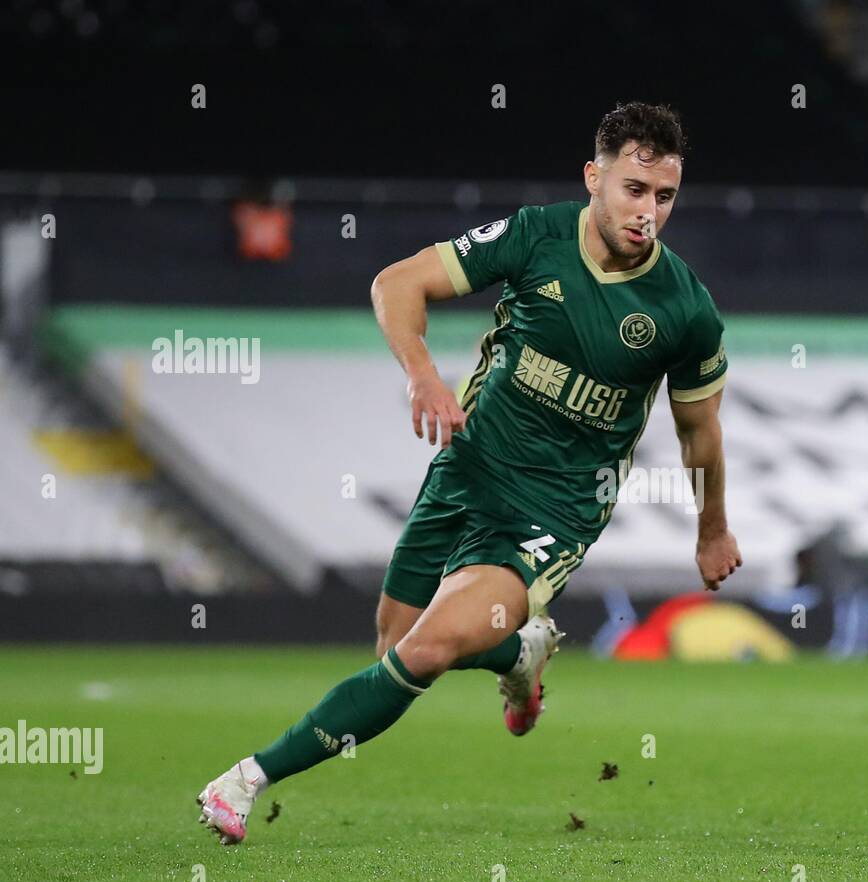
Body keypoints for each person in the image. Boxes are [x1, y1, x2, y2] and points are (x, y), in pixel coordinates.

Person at [197, 102, 741, 844]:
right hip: (466, 470)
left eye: (665, 196)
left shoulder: (684, 310)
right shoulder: (534, 236)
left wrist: (712, 530)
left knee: (423, 652)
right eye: (633, 189)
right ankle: (517, 649)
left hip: (553, 514)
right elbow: (396, 285)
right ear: (594, 178)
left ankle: (244, 780)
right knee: (394, 654)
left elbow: (699, 433)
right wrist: (422, 376)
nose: (648, 212)